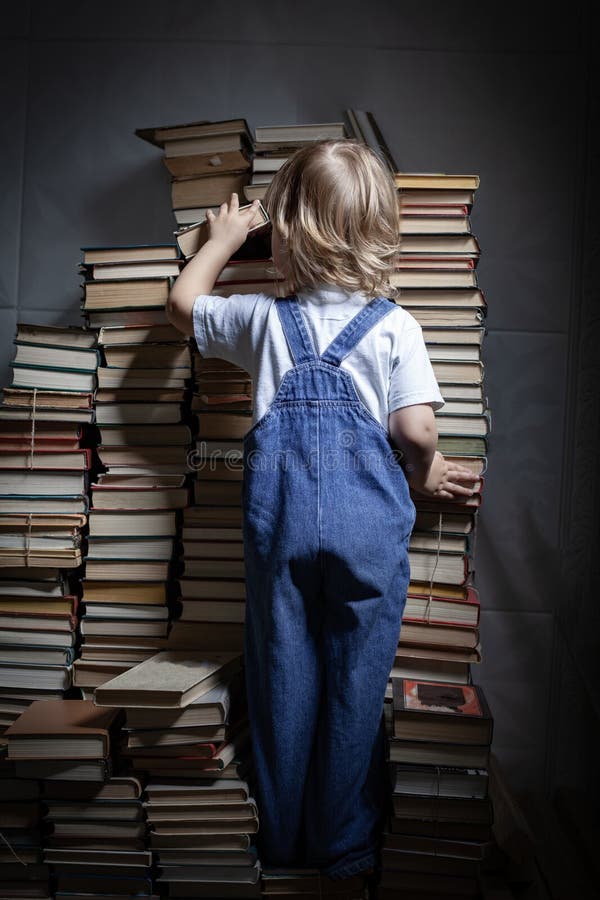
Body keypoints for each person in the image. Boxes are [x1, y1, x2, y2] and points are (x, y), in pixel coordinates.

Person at [166, 139, 478, 883]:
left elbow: (183, 307)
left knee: (285, 683)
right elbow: (414, 430)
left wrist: (224, 240)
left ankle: (279, 841)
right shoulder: (395, 326)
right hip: (368, 538)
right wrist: (427, 469)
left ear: (289, 232)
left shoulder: (265, 323)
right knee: (355, 688)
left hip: (280, 537)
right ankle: (342, 850)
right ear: (382, 230)